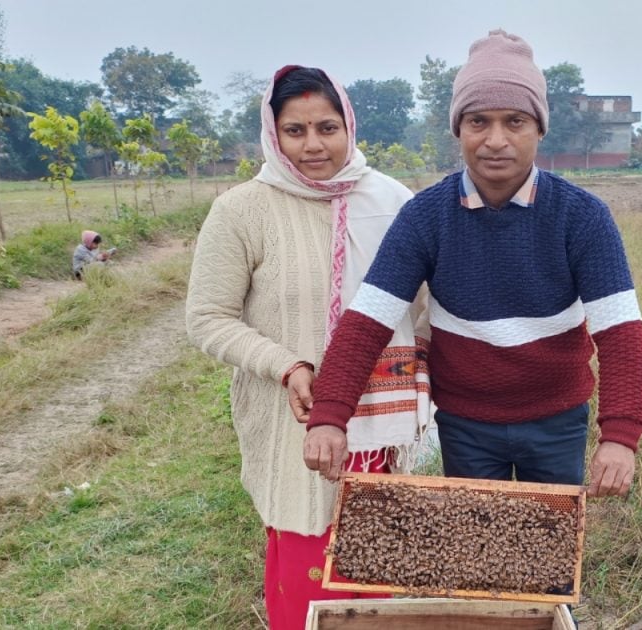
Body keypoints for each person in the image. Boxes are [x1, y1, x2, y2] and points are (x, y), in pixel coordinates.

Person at [304, 29, 642, 498]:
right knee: (474, 549)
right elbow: (368, 321)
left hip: (557, 418)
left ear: (539, 129)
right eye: (478, 122)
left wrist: (619, 438)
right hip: (465, 421)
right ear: (458, 130)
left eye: (515, 122)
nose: (495, 140)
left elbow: (620, 332)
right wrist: (329, 415)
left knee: (548, 551)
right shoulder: (425, 217)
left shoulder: (581, 216)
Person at [185, 65, 428, 630]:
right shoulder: (243, 209)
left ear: (350, 126)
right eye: (295, 131)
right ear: (273, 134)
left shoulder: (395, 202)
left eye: (327, 127)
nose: (313, 145)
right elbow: (207, 317)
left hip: (381, 421)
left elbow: (427, 305)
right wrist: (286, 364)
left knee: (376, 563)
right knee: (307, 569)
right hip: (292, 416)